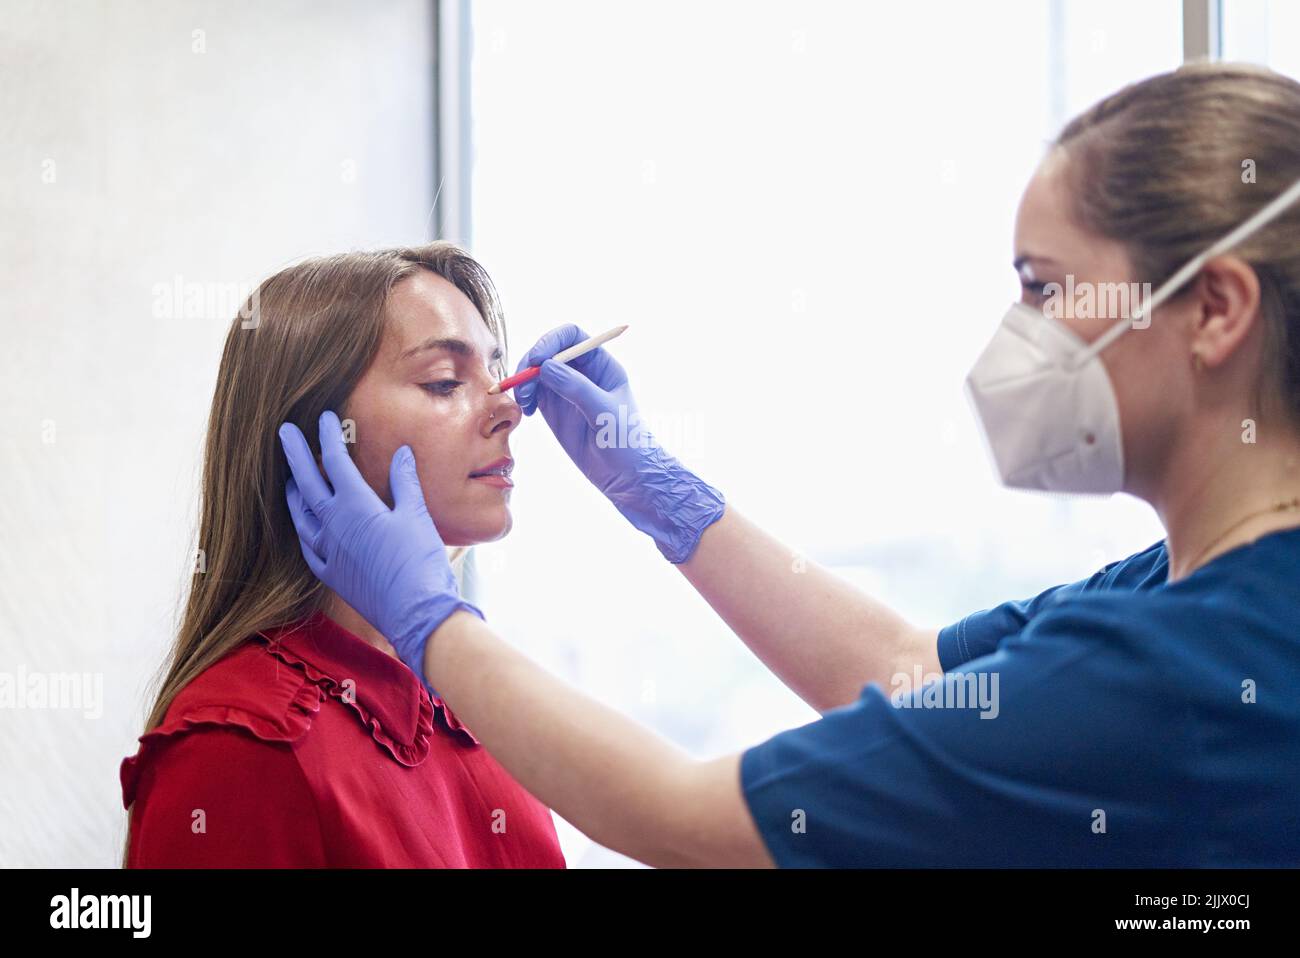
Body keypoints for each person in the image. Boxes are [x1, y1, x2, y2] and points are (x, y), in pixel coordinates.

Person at [279, 63, 1300, 867]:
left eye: (1044, 287)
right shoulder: (1181, 592)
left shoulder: (1177, 660)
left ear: (1214, 310)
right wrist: (665, 496)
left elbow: (682, 820)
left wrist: (430, 623)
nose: (1018, 330)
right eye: (443, 379)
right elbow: (905, 671)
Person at [121, 243, 564, 867]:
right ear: (313, 435)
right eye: (444, 382)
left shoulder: (475, 703)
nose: (508, 408)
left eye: (497, 372)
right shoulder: (238, 744)